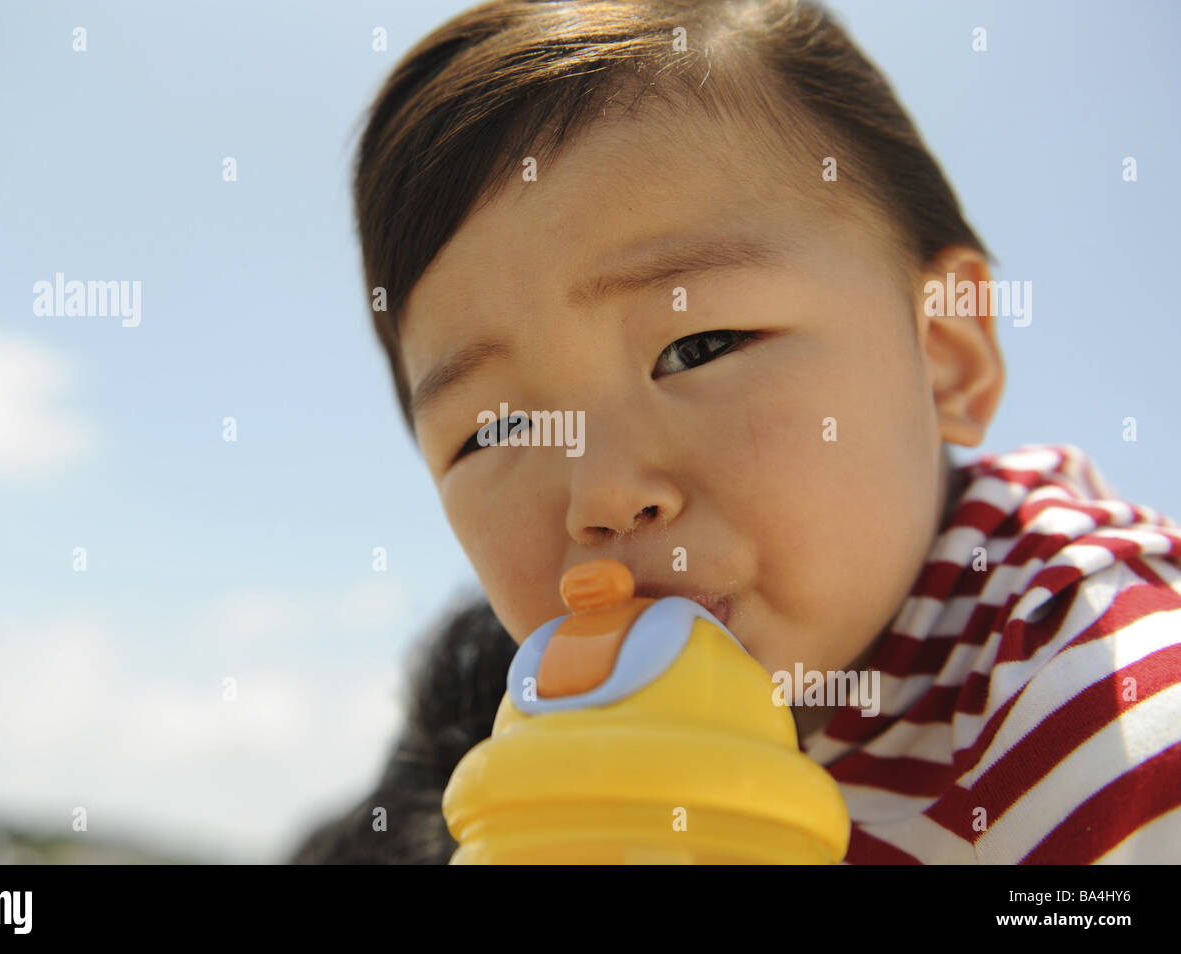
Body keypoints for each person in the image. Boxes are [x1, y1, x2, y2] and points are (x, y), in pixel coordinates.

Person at [294, 0, 1181, 863]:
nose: (600, 495)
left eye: (698, 347)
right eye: (496, 429)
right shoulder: (533, 742)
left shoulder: (1096, 695)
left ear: (945, 356)